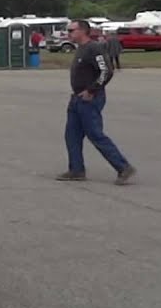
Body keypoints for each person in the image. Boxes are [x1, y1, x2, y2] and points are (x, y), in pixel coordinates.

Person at [57, 20, 135, 185]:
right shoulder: (81, 49)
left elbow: (106, 70)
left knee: (95, 134)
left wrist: (92, 90)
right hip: (77, 98)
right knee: (72, 135)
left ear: (83, 31)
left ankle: (123, 167)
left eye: (71, 30)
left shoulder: (94, 48)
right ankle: (76, 170)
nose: (68, 33)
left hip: (90, 98)